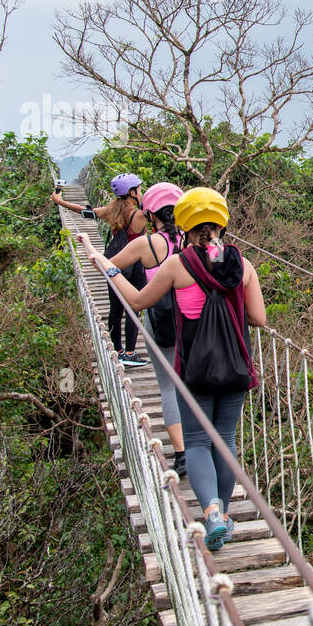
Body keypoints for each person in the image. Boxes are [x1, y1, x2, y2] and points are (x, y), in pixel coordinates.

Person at [78, 188, 266, 551]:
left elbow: (135, 301)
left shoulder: (178, 265)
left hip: (193, 370)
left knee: (196, 441)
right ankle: (224, 515)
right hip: (235, 369)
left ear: (185, 225)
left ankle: (210, 511)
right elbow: (257, 318)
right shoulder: (244, 266)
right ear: (222, 224)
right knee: (224, 442)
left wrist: (109, 266)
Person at [98, 182, 188, 475]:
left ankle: (182, 453)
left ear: (150, 214)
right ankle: (204, 444)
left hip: (160, 322)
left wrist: (97, 256)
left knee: (168, 386)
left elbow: (110, 268)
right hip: (195, 323)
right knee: (192, 384)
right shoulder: (194, 241)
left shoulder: (146, 244)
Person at [55, 174, 149, 367]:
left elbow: (85, 212)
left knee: (115, 310)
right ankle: (131, 353)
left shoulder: (111, 210)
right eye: (139, 189)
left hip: (113, 263)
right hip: (136, 264)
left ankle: (118, 351)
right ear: (132, 193)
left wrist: (59, 200)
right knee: (134, 309)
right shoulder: (140, 215)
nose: (141, 192)